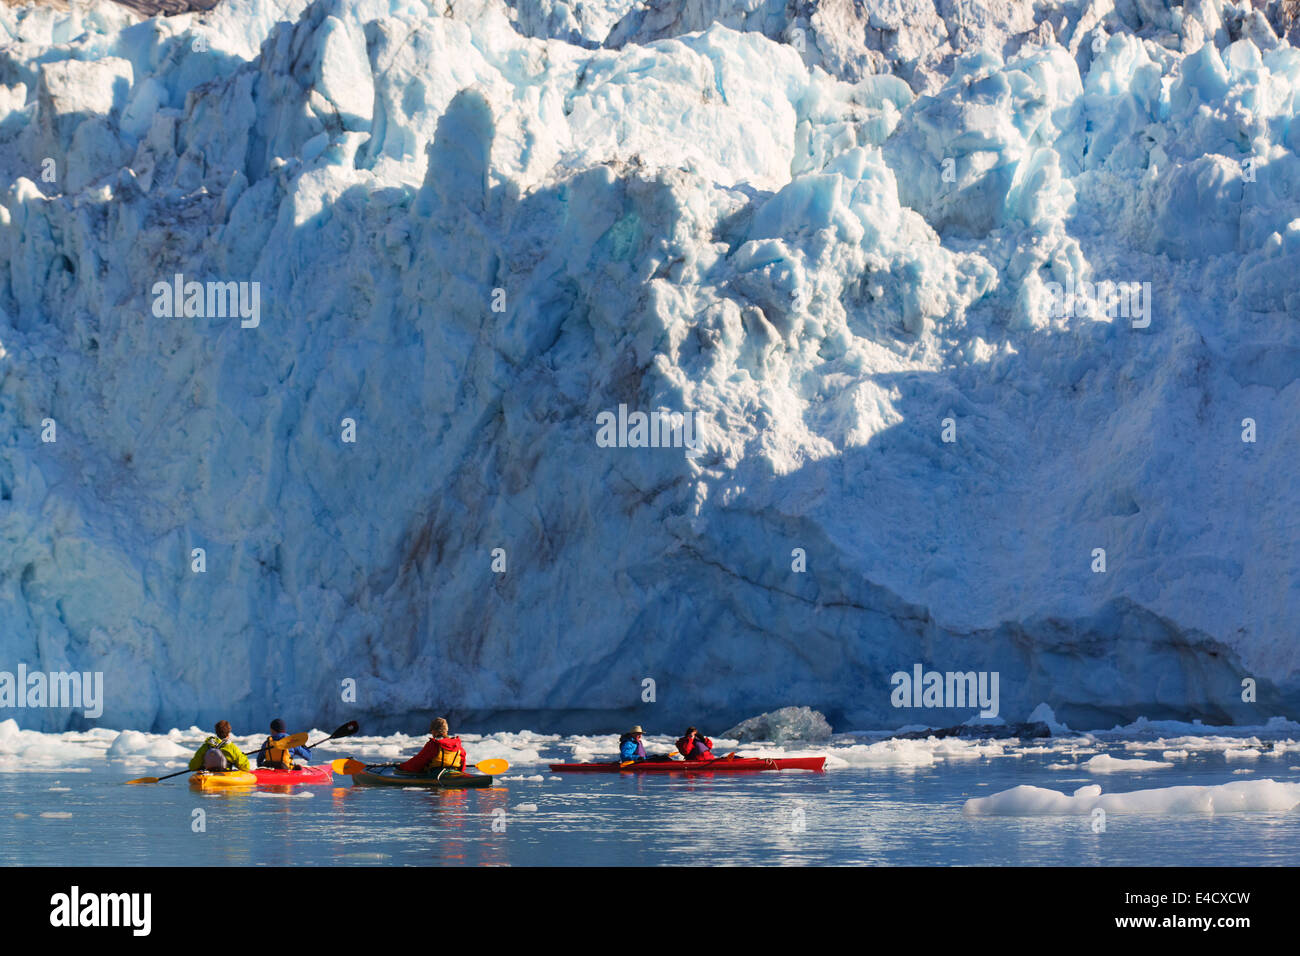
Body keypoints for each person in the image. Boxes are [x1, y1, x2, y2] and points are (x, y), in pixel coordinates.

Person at [398, 718, 469, 774]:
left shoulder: (434, 744)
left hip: (435, 775)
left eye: (431, 730)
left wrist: (401, 767)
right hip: (454, 773)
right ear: (446, 730)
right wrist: (460, 775)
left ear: (435, 731)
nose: (431, 733)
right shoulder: (458, 745)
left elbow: (417, 763)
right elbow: (462, 766)